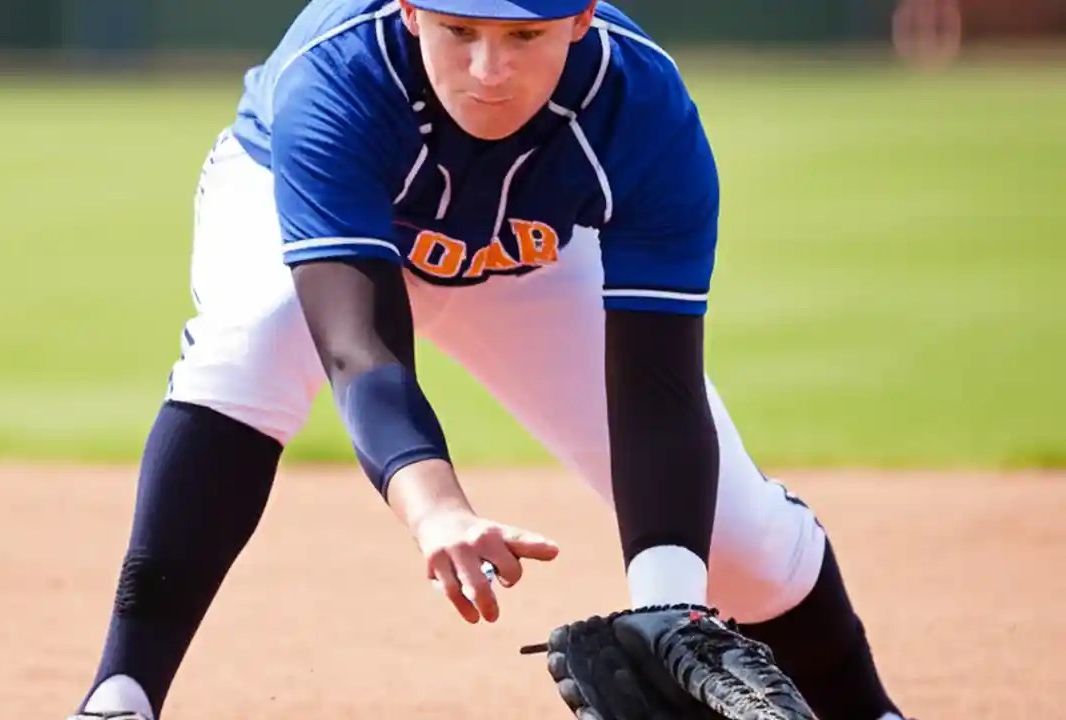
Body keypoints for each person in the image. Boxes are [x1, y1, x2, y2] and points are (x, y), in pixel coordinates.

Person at [67, 1, 910, 718]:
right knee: (252, 346)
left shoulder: (641, 102)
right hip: (308, 214)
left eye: (524, 35)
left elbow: (657, 379)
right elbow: (359, 347)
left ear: (581, 18)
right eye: (460, 30)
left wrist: (669, 609)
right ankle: (120, 695)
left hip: (528, 254)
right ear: (409, 10)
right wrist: (437, 510)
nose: (488, 69)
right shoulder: (335, 75)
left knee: (738, 542)